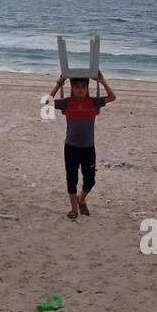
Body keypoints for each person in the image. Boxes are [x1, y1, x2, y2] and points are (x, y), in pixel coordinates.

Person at [47, 71, 115, 220]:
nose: (80, 89)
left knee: (90, 180)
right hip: (71, 147)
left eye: (83, 86)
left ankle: (81, 199)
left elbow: (112, 97)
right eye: (76, 86)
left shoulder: (94, 102)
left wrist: (102, 81)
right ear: (72, 88)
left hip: (88, 148)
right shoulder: (67, 102)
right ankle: (73, 209)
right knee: (72, 179)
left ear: (87, 88)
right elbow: (47, 102)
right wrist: (59, 84)